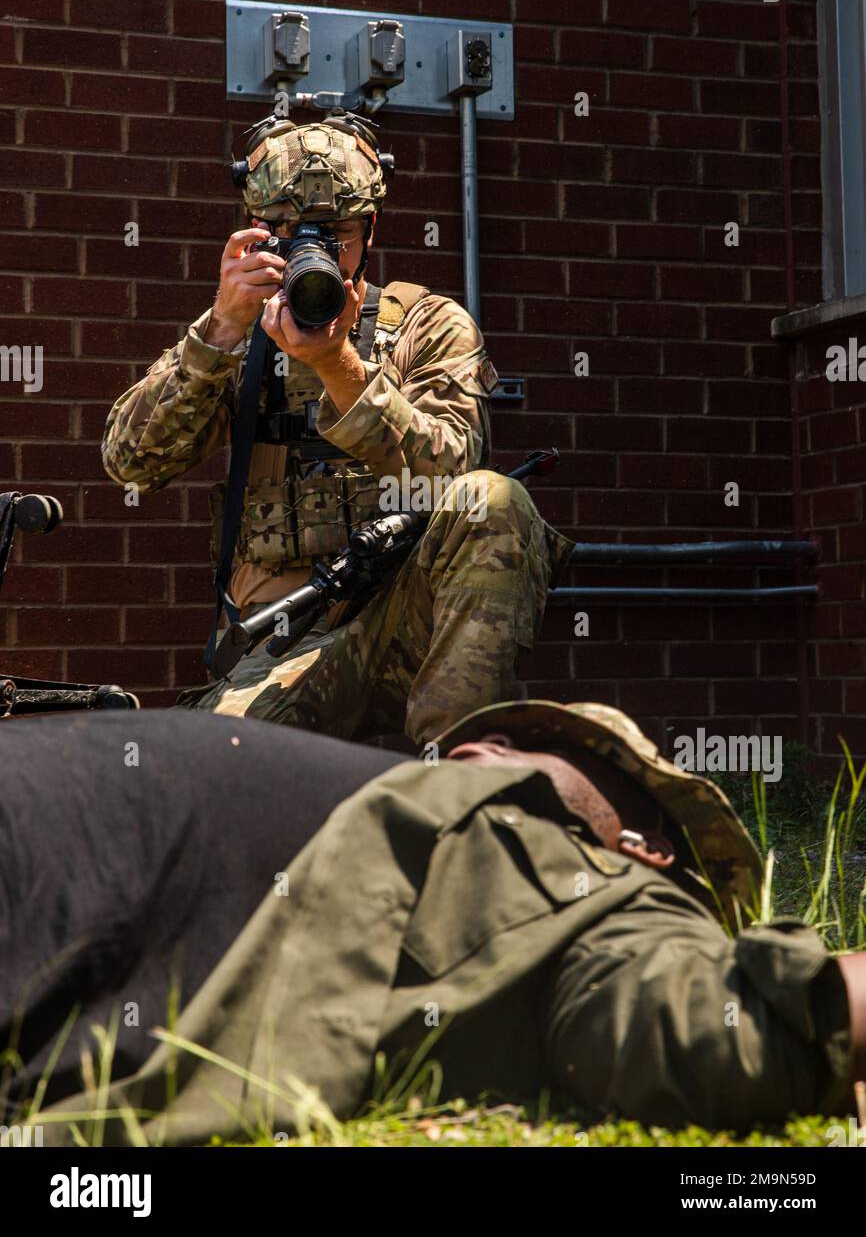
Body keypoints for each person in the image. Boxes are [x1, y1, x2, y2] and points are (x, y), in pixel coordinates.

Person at [3, 700, 857, 1145]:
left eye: (541, 749)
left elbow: (721, 1022)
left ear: (646, 849)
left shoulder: (589, 885)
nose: (476, 750)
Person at [100, 110, 573, 744]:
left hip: (408, 626)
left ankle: (457, 780)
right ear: (255, 232)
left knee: (495, 501)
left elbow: (456, 468)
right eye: (288, 234)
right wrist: (220, 329)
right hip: (285, 636)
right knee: (223, 765)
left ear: (370, 228)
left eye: (334, 235)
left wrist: (336, 362)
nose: (312, 253)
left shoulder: (427, 326)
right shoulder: (238, 338)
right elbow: (130, 462)